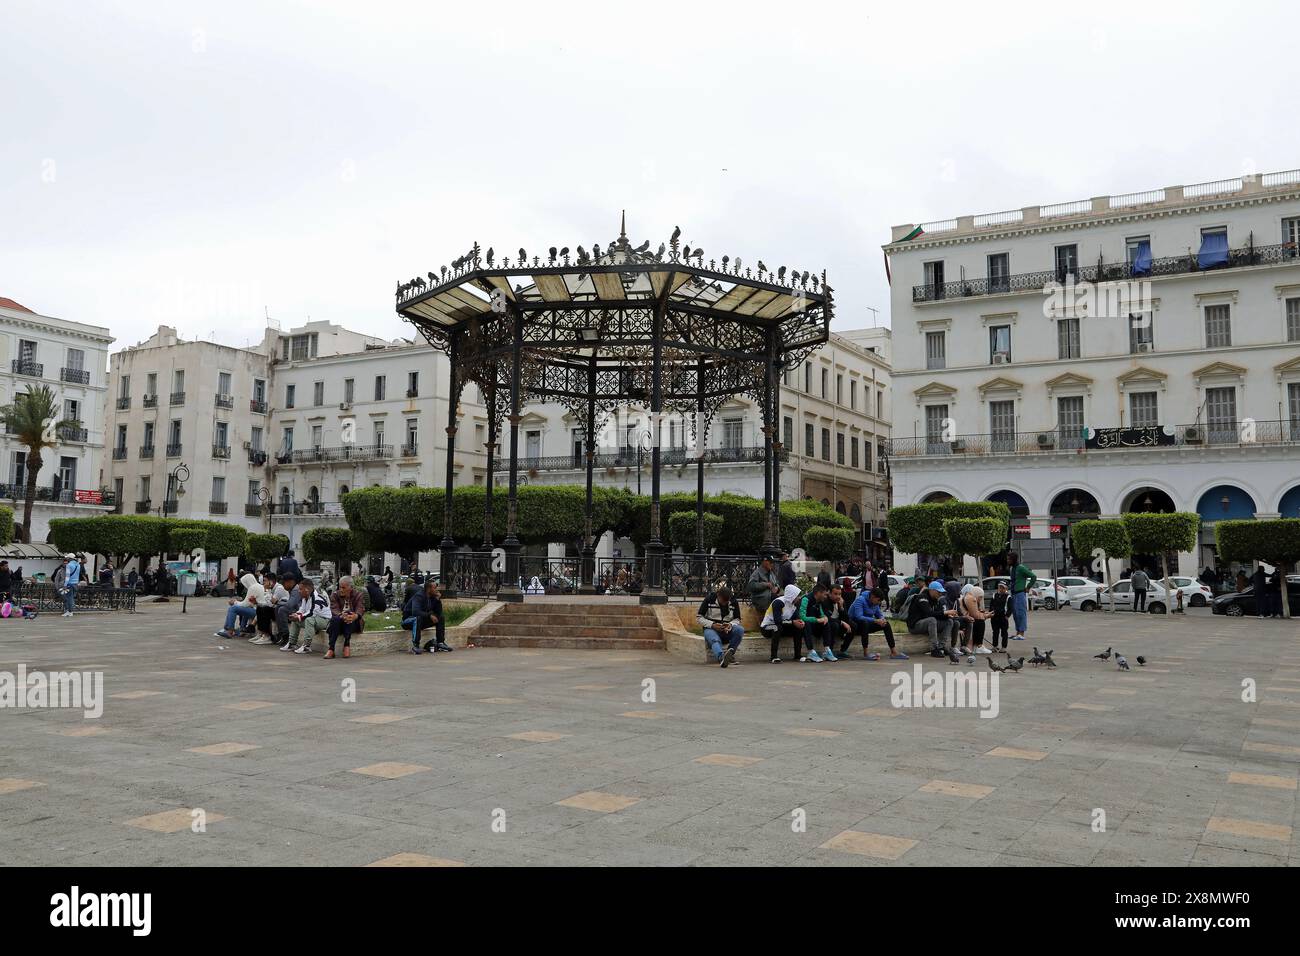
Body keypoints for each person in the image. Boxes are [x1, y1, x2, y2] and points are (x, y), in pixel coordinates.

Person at [845, 586, 904, 660]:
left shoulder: (875, 604)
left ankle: (893, 652)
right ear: (872, 597)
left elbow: (879, 614)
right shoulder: (860, 600)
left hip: (866, 625)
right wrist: (875, 620)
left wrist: (882, 620)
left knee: (886, 624)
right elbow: (859, 617)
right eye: (878, 600)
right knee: (864, 622)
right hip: (854, 626)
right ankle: (866, 653)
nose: (879, 603)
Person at [697, 586, 744, 667]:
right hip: (711, 629)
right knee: (714, 639)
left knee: (740, 630)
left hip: (726, 630)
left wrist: (730, 624)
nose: (725, 603)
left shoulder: (733, 602)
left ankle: (730, 654)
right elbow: (699, 618)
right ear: (718, 595)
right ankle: (721, 657)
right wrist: (712, 625)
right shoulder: (709, 600)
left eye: (727, 601)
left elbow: (737, 619)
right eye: (723, 600)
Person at [907, 582, 958, 656]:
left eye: (941, 592)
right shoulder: (922, 598)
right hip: (915, 625)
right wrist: (946, 612)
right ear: (932, 590)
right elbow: (929, 613)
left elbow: (937, 614)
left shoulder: (935, 599)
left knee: (949, 621)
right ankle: (934, 649)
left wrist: (948, 615)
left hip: (927, 623)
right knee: (932, 620)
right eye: (939, 592)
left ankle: (941, 647)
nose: (940, 594)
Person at [761, 584, 805, 663]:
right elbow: (777, 621)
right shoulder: (779, 602)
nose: (799, 598)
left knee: (798, 628)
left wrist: (800, 622)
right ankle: (773, 657)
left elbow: (796, 618)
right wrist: (793, 622)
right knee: (777, 627)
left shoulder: (794, 605)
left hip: (782, 627)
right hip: (767, 627)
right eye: (797, 596)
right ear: (792, 595)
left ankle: (798, 656)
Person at [283, 580, 328, 654]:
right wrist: (296, 615)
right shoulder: (305, 597)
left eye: (301, 589)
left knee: (309, 620)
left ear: (307, 590)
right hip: (314, 620)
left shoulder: (316, 598)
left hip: (325, 620)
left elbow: (311, 613)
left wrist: (299, 617)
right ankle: (292, 643)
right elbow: (302, 609)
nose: (299, 591)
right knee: (296, 620)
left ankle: (306, 646)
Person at [326, 576, 364, 659]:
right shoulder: (335, 595)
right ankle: (331, 649)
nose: (341, 590)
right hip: (338, 623)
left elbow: (360, 608)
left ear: (351, 587)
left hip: (353, 623)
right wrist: (341, 615)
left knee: (349, 615)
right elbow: (334, 609)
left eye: (343, 587)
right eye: (340, 587)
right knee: (336, 619)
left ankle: (347, 644)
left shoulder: (358, 595)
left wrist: (355, 616)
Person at [214, 573, 263, 638]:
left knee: (233, 608)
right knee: (242, 609)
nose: (244, 585)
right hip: (258, 610)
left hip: (257, 611)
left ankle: (229, 631)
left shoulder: (252, 587)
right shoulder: (259, 586)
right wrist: (238, 602)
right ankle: (241, 629)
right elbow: (248, 603)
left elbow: (245, 604)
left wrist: (235, 602)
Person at [252, 571, 289, 645]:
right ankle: (262, 634)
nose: (263, 583)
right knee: (260, 608)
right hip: (277, 611)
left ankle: (267, 636)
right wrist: (257, 602)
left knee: (264, 609)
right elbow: (268, 603)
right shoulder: (272, 589)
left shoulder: (279, 588)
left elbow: (270, 604)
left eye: (265, 581)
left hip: (283, 612)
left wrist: (266, 590)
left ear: (271, 581)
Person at [1007, 551, 1035, 641]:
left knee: (1021, 613)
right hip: (1013, 593)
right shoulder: (1012, 569)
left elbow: (1033, 576)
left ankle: (1021, 633)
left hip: (1020, 593)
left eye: (1009, 559)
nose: (1007, 560)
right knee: (1015, 614)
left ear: (1013, 559)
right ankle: (1017, 632)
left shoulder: (1021, 568)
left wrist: (1028, 587)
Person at [821, 585, 853, 660]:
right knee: (834, 625)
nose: (838, 596)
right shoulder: (825, 602)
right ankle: (829, 651)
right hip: (828, 624)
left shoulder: (840, 602)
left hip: (838, 624)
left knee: (853, 625)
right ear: (829, 594)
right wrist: (841, 622)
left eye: (839, 594)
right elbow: (827, 618)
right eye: (835, 594)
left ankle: (843, 651)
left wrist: (841, 607)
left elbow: (846, 619)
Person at [958, 585, 992, 654]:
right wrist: (987, 616)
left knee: (978, 621)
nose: (981, 599)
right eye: (980, 597)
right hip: (963, 619)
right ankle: (979, 646)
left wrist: (984, 614)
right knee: (980, 622)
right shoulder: (971, 599)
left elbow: (975, 613)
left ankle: (978, 646)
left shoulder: (969, 597)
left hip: (963, 618)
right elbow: (975, 615)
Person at [989, 581, 1011, 651]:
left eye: (1003, 588)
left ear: (1006, 588)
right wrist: (991, 613)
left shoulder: (1008, 597)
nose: (1001, 589)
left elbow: (1010, 608)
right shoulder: (994, 595)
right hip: (995, 617)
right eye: (1000, 587)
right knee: (995, 632)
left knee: (1004, 632)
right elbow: (991, 605)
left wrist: (1007, 616)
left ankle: (1004, 647)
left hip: (1003, 617)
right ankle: (994, 646)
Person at [60, 553, 82, 617]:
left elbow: (67, 576)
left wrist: (65, 584)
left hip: (69, 583)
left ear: (69, 558)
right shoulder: (78, 565)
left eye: (67, 558)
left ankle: (69, 611)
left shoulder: (69, 565)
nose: (67, 559)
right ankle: (70, 611)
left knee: (69, 598)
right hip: (75, 583)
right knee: (72, 598)